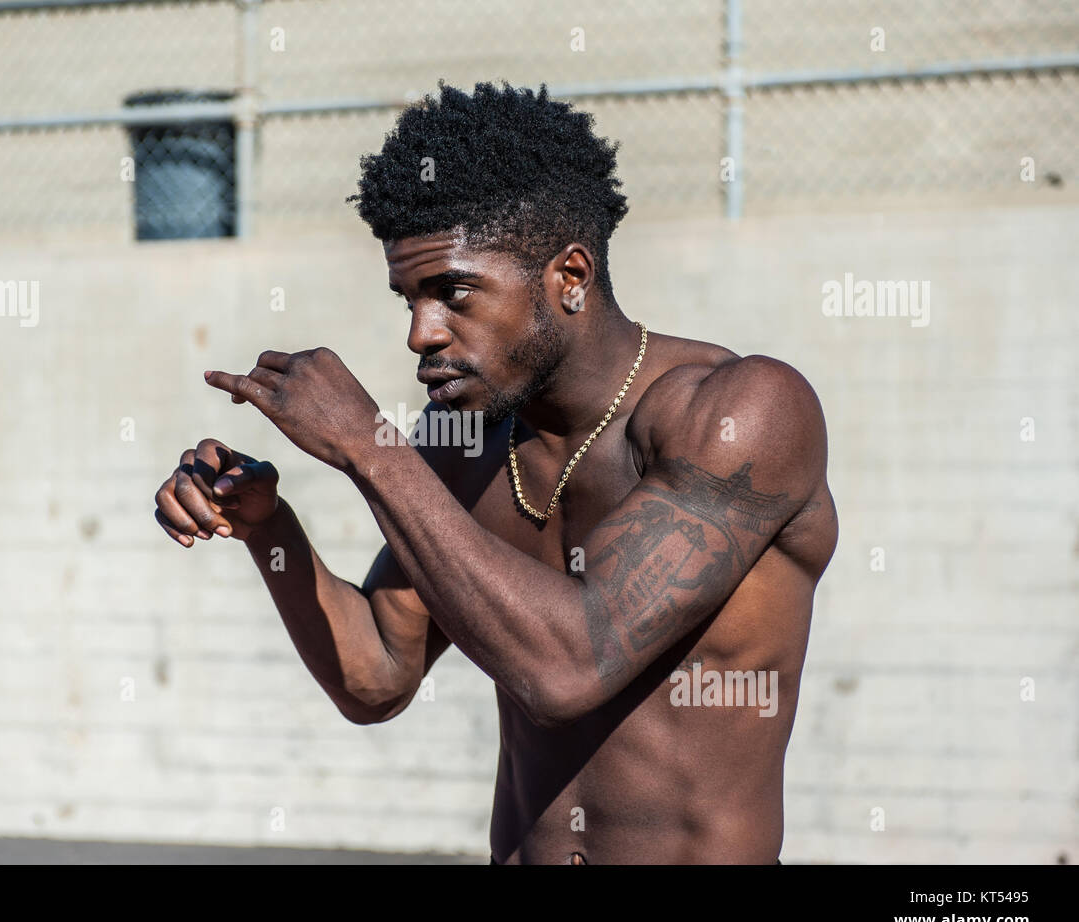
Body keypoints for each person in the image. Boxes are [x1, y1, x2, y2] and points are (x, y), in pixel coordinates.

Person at [154, 81, 838, 864]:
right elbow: (378, 673)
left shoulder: (742, 411)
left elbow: (572, 663)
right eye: (408, 297)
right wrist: (266, 525)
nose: (420, 332)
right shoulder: (463, 440)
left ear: (569, 276)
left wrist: (372, 449)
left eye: (452, 292)